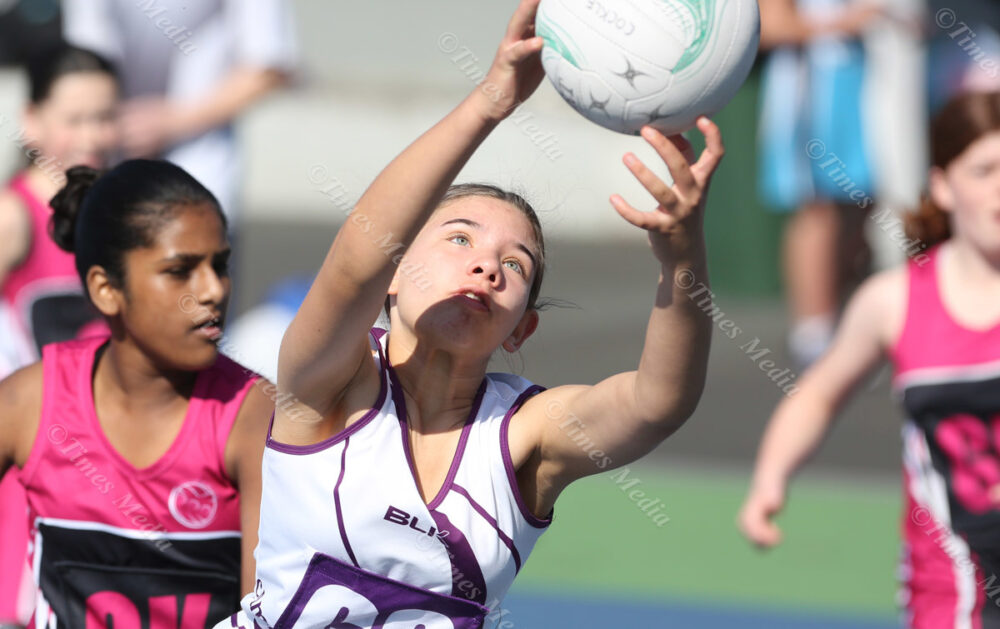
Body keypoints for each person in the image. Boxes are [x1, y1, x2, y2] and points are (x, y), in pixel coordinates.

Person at [219, 1, 724, 626]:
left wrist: (681, 255)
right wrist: (490, 101)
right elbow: (357, 257)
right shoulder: (323, 386)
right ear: (394, 275)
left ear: (522, 327)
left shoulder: (524, 434)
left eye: (514, 265)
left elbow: (657, 403)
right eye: (460, 239)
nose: (487, 266)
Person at [739, 90, 1000, 628]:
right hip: (949, 585)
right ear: (942, 186)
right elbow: (818, 393)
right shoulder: (895, 300)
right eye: (985, 170)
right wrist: (770, 479)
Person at [0, 160, 272, 628]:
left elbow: (265, 615)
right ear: (107, 289)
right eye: (180, 270)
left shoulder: (253, 414)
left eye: (220, 265)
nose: (213, 290)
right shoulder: (31, 401)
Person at [0, 43, 119, 628]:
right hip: (28, 470)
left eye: (106, 116)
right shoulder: (12, 217)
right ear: (32, 121)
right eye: (75, 120)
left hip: (109, 468)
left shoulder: (122, 219)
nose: (93, 136)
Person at [61, 0, 297, 228]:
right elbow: (84, 59)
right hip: (112, 151)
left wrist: (172, 122)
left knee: (195, 246)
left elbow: (268, 66)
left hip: (202, 158)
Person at [756, 0, 887, 367]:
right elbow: (767, 27)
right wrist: (845, 24)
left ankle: (849, 325)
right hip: (811, 93)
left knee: (865, 209)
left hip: (869, 88)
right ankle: (812, 332)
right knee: (817, 208)